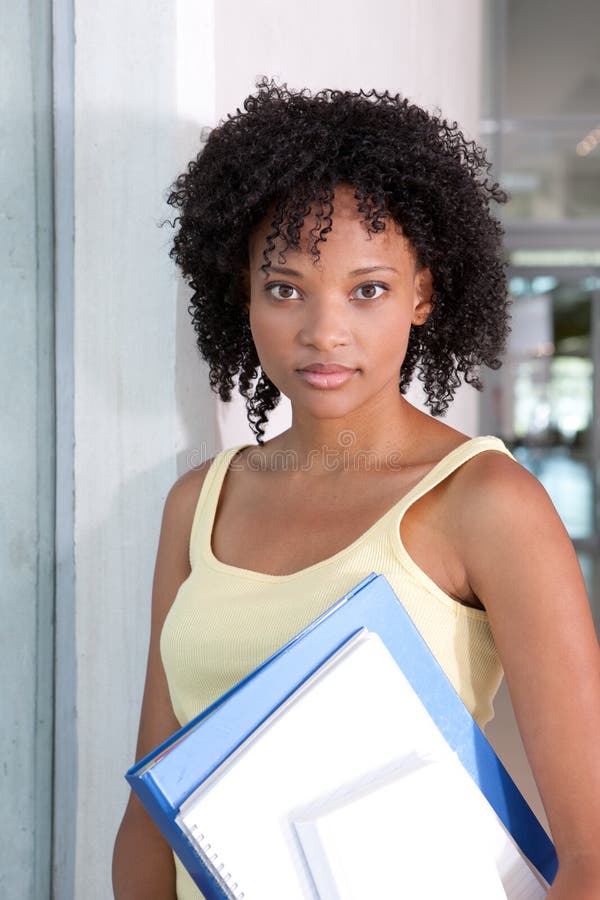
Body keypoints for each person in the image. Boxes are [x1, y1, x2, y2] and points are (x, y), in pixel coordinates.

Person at [112, 80, 600, 899]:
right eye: (285, 288)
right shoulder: (199, 504)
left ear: (422, 294)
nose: (323, 332)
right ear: (242, 293)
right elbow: (150, 816)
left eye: (367, 289)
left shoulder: (485, 502)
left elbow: (592, 854)